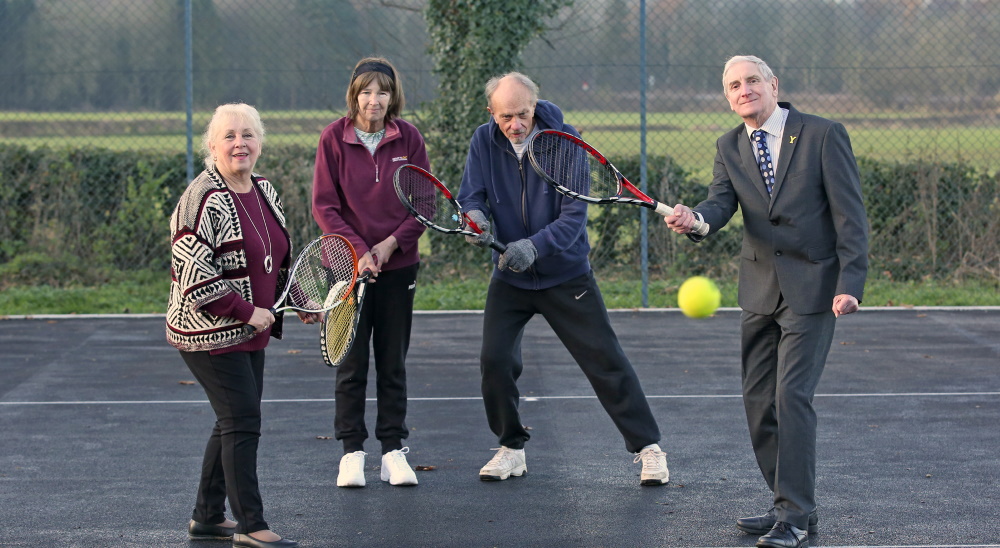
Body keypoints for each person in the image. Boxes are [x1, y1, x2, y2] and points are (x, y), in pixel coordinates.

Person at [664, 55, 869, 548]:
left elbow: (850, 214)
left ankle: (794, 517)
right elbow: (720, 203)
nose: (744, 90)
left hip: (814, 288)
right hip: (758, 292)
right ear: (728, 96)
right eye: (733, 85)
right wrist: (698, 221)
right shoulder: (729, 146)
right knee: (759, 404)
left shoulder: (822, 134)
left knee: (791, 398)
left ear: (773, 84)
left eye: (752, 80)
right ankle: (791, 505)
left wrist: (851, 282)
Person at [456, 72, 669, 486]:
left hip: (566, 274)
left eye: (522, 114)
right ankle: (511, 448)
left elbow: (573, 218)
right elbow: (472, 194)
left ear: (534, 106)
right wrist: (476, 218)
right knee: (494, 361)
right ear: (491, 113)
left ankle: (649, 449)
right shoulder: (483, 140)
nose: (515, 125)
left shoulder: (566, 141)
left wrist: (533, 247)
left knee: (605, 362)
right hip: (510, 276)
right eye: (505, 117)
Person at [167, 103, 313, 548]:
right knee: (243, 418)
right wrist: (248, 311)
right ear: (212, 145)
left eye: (248, 135)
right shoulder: (200, 199)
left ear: (260, 142)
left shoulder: (264, 190)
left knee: (230, 419)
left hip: (249, 331)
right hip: (207, 332)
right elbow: (194, 280)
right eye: (229, 136)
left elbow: (276, 257)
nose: (239, 144)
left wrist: (298, 301)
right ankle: (250, 524)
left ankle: (208, 516)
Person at [312, 56, 430, 488]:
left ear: (392, 95)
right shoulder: (333, 138)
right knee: (351, 363)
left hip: (398, 268)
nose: (374, 99)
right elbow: (324, 206)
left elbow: (425, 205)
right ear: (354, 94)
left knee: (392, 363)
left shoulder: (410, 138)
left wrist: (387, 246)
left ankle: (393, 450)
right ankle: (351, 452)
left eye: (382, 91)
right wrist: (360, 252)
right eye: (366, 90)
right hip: (346, 271)